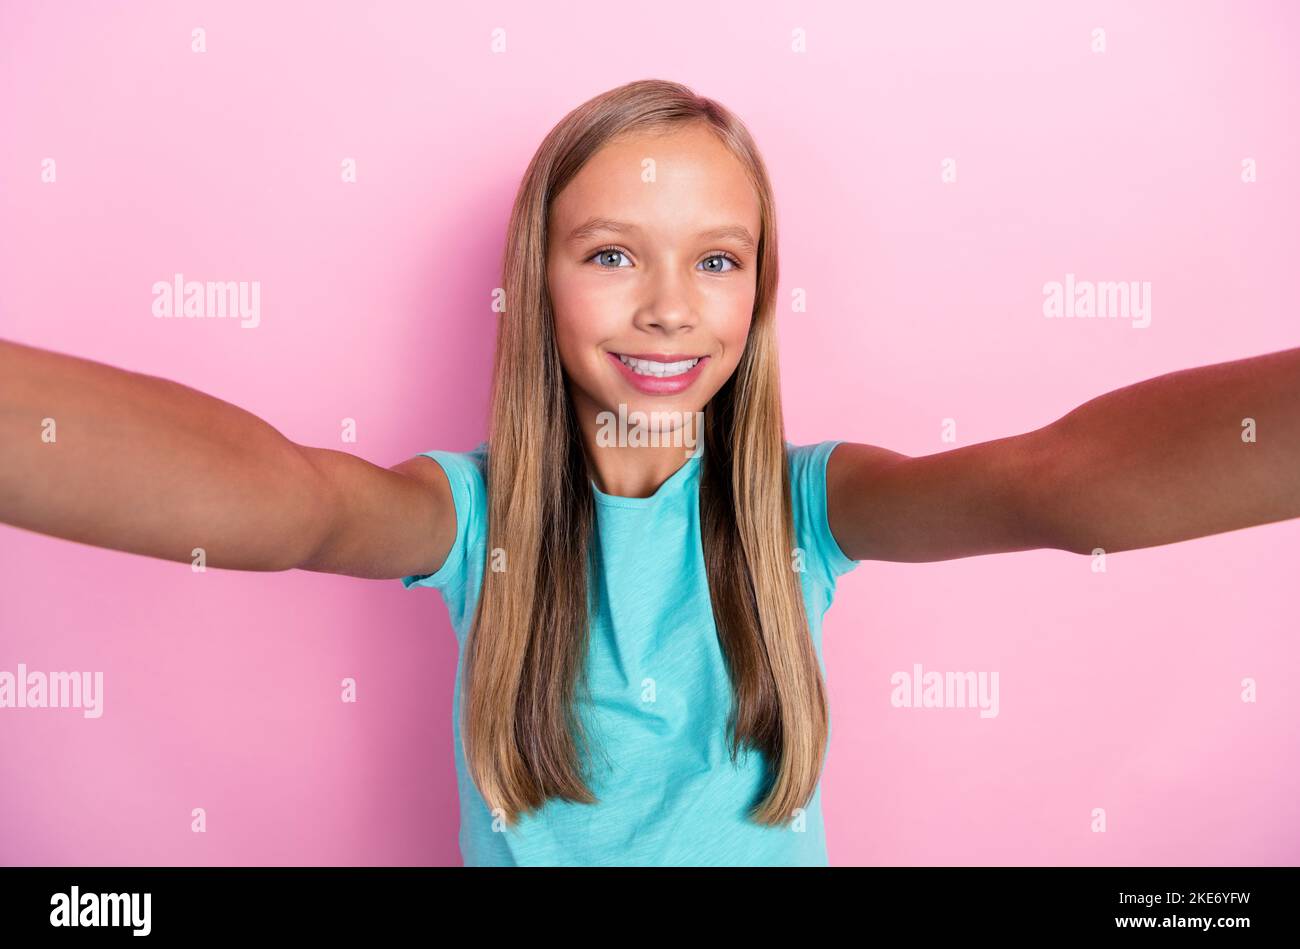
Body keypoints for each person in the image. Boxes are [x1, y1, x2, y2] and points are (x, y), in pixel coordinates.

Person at [2, 78, 1297, 865]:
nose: (671, 306)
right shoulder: (471, 521)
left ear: (759, 291)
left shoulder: (812, 510)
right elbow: (287, 502)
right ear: (536, 283)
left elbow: (1056, 484)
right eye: (615, 254)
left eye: (717, 259)